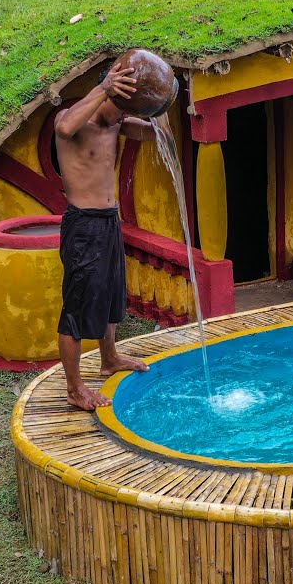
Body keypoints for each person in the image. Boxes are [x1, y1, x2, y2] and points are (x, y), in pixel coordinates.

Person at [53, 54, 174, 410]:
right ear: (107, 94)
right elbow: (63, 128)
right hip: (83, 226)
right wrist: (104, 87)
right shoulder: (74, 120)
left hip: (109, 222)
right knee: (77, 309)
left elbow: (155, 136)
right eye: (121, 109)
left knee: (110, 297)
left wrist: (162, 107)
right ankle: (75, 389)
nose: (123, 117)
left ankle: (109, 359)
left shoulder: (116, 123)